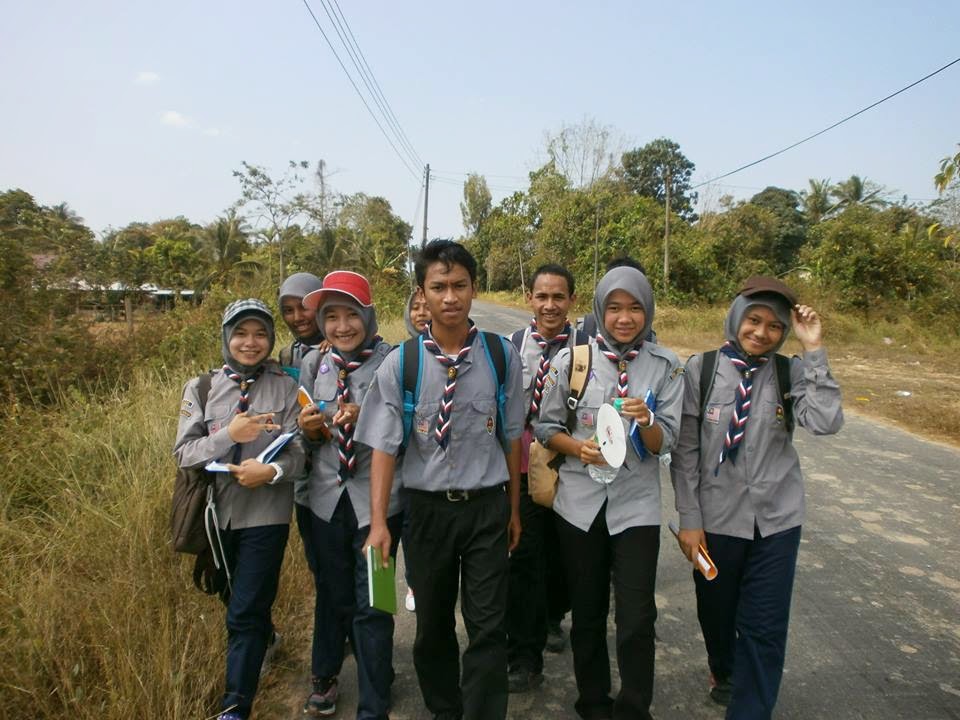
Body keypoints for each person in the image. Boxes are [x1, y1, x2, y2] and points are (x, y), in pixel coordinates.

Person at [357, 239, 525, 720]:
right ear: (422, 294)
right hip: (427, 513)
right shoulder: (401, 365)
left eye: (459, 285)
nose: (450, 297)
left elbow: (512, 439)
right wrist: (379, 524)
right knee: (431, 626)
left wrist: (513, 510)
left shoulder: (501, 356)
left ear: (474, 290)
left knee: (489, 625)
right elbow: (384, 448)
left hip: (487, 509)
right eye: (438, 287)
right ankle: (445, 709)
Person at [670, 276, 843, 718]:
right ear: (736, 318)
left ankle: (750, 709)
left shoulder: (792, 371)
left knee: (764, 627)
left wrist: (814, 348)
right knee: (717, 614)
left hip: (777, 521)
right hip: (716, 520)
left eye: (774, 326)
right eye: (753, 320)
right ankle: (724, 669)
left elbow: (824, 422)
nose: (762, 333)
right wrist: (689, 518)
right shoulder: (701, 369)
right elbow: (686, 451)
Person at [535, 266, 682, 720]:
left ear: (647, 310)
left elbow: (669, 443)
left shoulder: (665, 366)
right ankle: (593, 703)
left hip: (636, 508)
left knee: (637, 617)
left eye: (634, 307)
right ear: (600, 309)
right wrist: (578, 449)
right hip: (579, 507)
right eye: (614, 307)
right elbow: (545, 427)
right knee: (588, 612)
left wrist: (649, 422)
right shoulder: (572, 362)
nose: (624, 318)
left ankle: (634, 707)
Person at [173, 299, 305, 720]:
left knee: (245, 608)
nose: (251, 343)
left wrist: (271, 471)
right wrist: (228, 434)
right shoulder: (203, 388)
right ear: (226, 336)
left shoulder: (285, 387)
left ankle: (236, 704)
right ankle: (267, 639)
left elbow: (301, 452)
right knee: (230, 596)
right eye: (241, 333)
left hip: (267, 514)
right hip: (216, 516)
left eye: (261, 333)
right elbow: (184, 454)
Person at [297, 271, 400, 720]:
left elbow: (404, 436)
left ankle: (374, 701)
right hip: (324, 500)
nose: (341, 326)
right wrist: (309, 431)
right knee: (333, 594)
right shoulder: (312, 364)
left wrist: (368, 416)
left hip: (376, 505)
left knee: (374, 602)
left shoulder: (394, 362)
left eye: (351, 315)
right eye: (331, 317)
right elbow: (300, 435)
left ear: (369, 316)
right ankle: (328, 674)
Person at [505, 263, 584, 692]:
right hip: (523, 471)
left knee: (567, 560)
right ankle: (524, 655)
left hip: (573, 468)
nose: (550, 305)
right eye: (542, 296)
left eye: (559, 297)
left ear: (572, 300)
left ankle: (554, 614)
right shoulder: (512, 346)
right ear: (529, 300)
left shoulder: (588, 348)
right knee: (524, 561)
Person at [400, 288, 432, 613]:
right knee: (412, 528)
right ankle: (413, 581)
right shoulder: (399, 356)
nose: (421, 313)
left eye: (427, 307)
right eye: (415, 308)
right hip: (409, 465)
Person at [578, 257, 657, 343]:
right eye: (614, 308)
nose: (624, 320)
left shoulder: (650, 340)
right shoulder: (584, 331)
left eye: (635, 308)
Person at [277, 271, 329, 379]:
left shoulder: (344, 348)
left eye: (304, 307)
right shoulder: (288, 356)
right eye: (288, 310)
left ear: (322, 306)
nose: (297, 318)